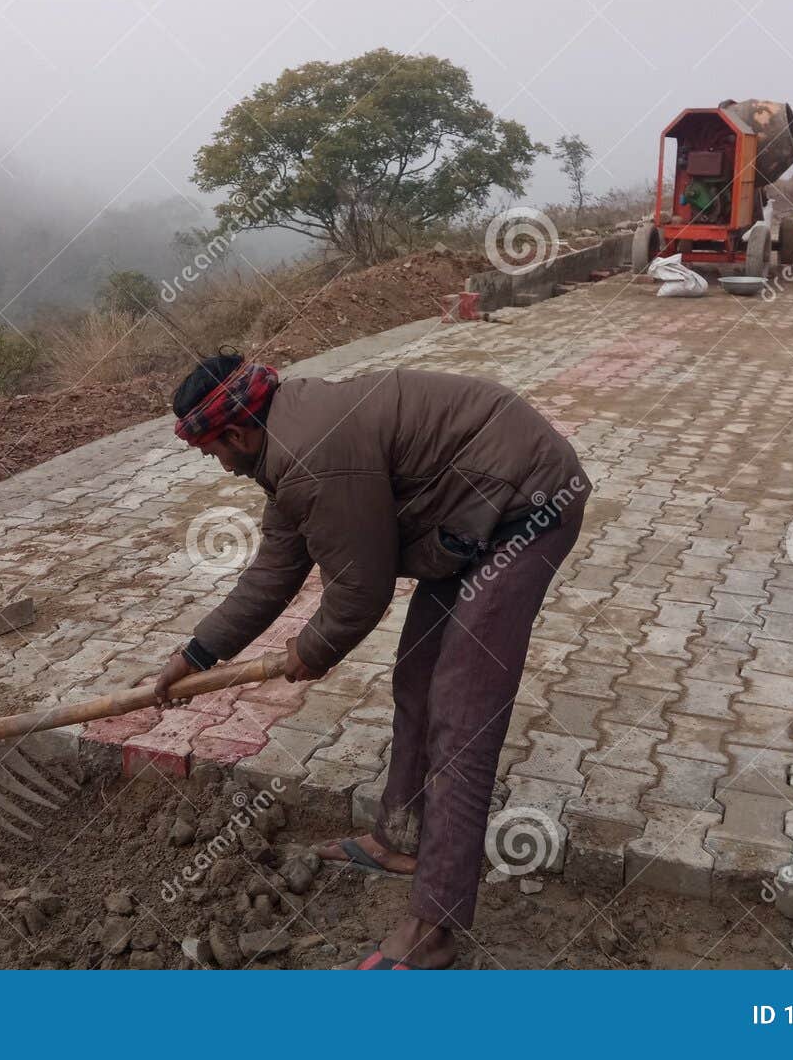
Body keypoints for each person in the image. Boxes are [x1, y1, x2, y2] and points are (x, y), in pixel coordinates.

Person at [153, 352, 589, 970]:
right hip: (463, 518)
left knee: (461, 712)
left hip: (524, 506)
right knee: (417, 674)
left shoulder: (307, 455)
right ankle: (399, 838)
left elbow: (361, 590)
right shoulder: (287, 446)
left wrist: (313, 650)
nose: (220, 466)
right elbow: (275, 571)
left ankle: (434, 927)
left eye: (213, 453)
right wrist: (193, 655)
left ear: (235, 433)